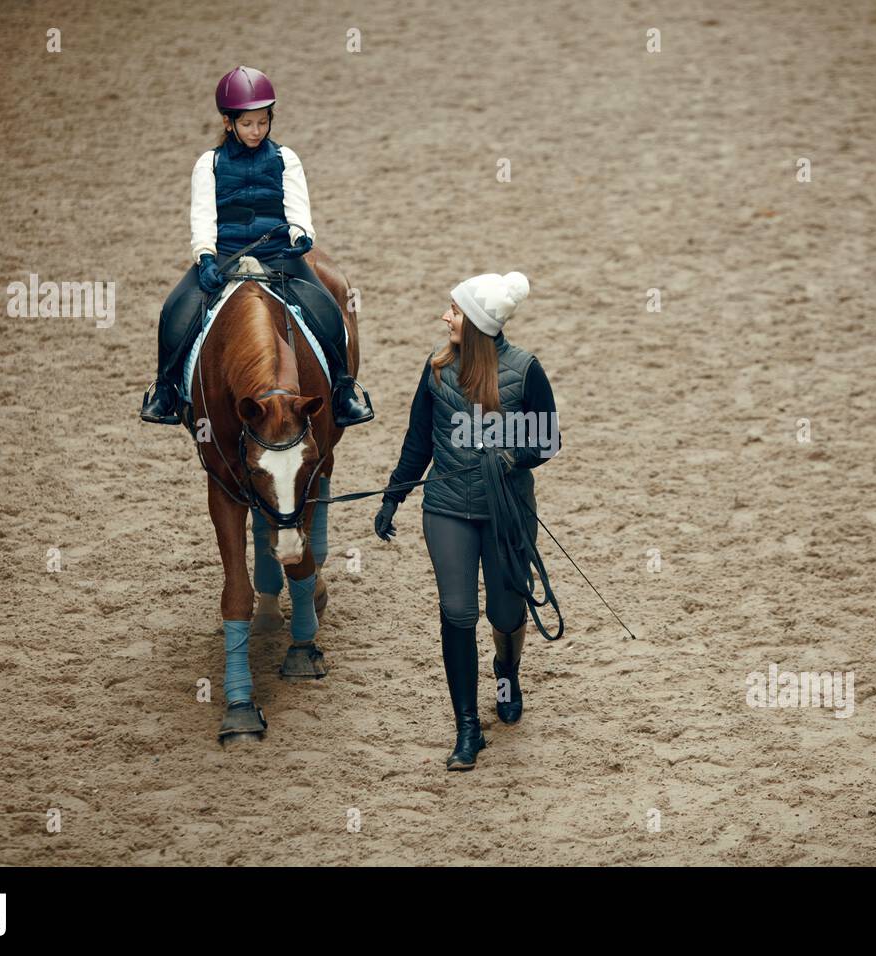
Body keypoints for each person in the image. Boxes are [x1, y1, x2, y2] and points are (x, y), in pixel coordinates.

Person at [375, 272, 562, 770]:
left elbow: (547, 441)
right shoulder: (436, 370)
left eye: (453, 311)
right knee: (457, 614)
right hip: (446, 507)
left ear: (476, 322)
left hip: (506, 511)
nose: (445, 317)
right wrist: (394, 495)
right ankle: (467, 729)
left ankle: (506, 671)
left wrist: (511, 457)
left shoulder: (526, 371)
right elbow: (418, 439)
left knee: (505, 614)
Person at [140, 65, 373, 428]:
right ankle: (166, 390)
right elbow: (203, 216)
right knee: (174, 310)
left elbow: (298, 209)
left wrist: (300, 237)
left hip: (277, 254)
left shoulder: (285, 158)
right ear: (228, 122)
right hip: (225, 257)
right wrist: (204, 257)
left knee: (326, 309)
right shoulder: (209, 164)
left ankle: (343, 392)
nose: (256, 131)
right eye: (248, 124)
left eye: (263, 122)